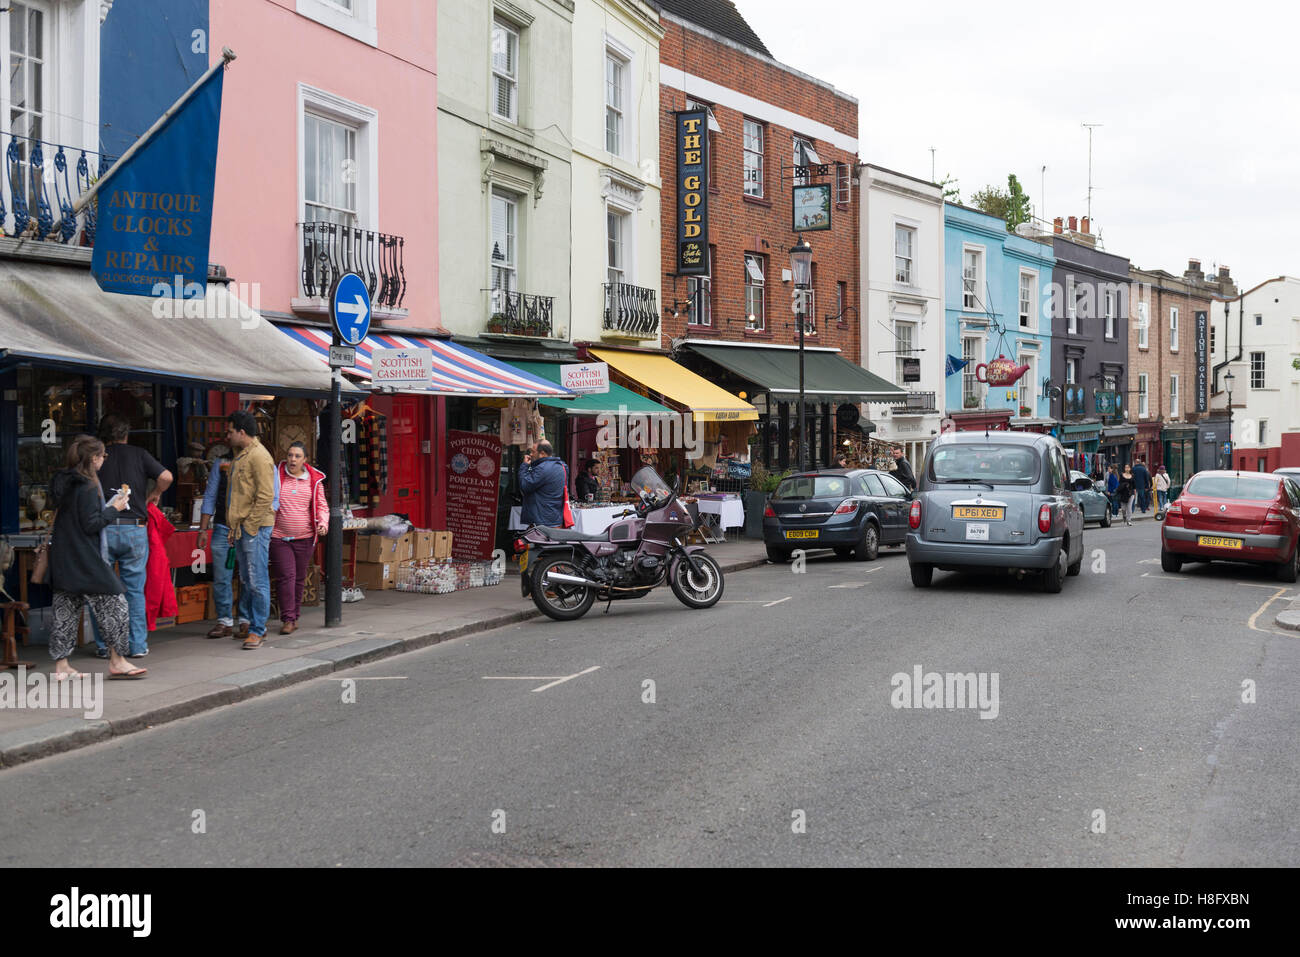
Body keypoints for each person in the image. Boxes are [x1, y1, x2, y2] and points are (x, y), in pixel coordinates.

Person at [47, 436, 146, 679]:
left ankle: (62, 667)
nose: (104, 460)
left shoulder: (66, 482)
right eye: (102, 456)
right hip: (85, 559)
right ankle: (118, 660)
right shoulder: (88, 486)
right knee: (116, 604)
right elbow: (91, 525)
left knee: (65, 611)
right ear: (94, 459)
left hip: (63, 557)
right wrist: (115, 509)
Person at [92, 414, 172, 659]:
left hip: (103, 528)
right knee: (134, 591)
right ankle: (136, 645)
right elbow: (167, 476)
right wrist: (154, 493)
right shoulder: (139, 454)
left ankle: (106, 646)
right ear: (126, 434)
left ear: (103, 436)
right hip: (134, 528)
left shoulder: (97, 458)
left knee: (102, 590)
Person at [197, 446, 280, 638]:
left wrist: (258, 524)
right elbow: (210, 495)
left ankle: (246, 619)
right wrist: (202, 528)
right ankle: (224, 620)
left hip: (249, 528)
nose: (229, 438)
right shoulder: (222, 463)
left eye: (232, 432)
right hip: (223, 526)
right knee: (221, 577)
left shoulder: (262, 462)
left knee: (249, 577)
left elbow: (274, 499)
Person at [225, 411, 276, 650]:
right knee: (247, 579)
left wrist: (250, 526)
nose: (227, 436)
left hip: (254, 527)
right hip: (244, 527)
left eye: (230, 431)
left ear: (241, 432)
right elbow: (238, 497)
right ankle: (253, 626)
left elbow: (266, 495)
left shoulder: (258, 456)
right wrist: (235, 527)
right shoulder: (242, 456)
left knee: (256, 580)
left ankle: (258, 629)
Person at [269, 442, 328, 636]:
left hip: (305, 538)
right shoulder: (277, 476)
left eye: (297, 456)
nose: (292, 459)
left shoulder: (313, 480)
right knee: (286, 577)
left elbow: (321, 505)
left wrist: (323, 523)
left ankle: (294, 616)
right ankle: (288, 618)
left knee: (299, 579)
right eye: (290, 455)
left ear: (305, 460)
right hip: (279, 537)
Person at [518, 441, 567, 527]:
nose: (530, 454)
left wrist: (525, 466)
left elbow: (524, 486)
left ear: (542, 454)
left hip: (541, 522)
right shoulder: (562, 466)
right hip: (556, 519)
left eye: (533, 451)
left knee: (538, 540)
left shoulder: (542, 468)